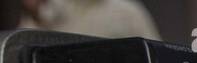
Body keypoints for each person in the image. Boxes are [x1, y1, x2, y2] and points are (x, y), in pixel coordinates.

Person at [20, 0, 161, 40]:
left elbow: (155, 56)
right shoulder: (52, 11)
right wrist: (35, 12)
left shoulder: (127, 11)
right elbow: (24, 40)